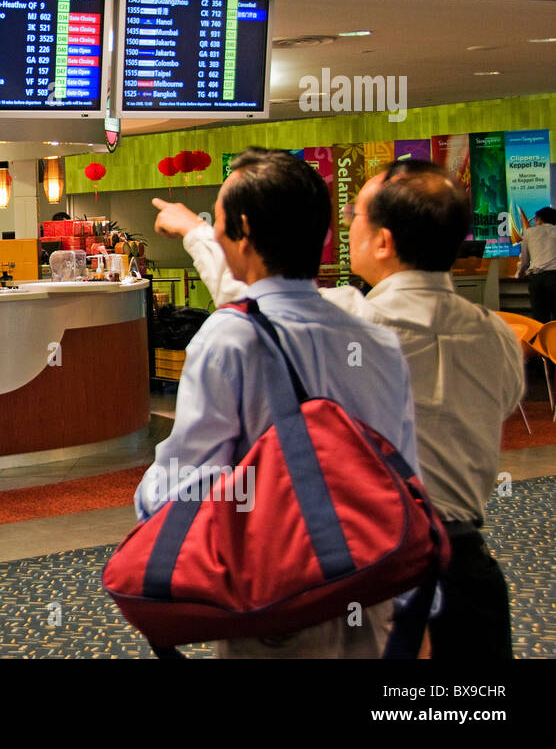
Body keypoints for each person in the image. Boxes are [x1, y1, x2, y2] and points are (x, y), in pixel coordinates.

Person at [154, 157, 526, 659]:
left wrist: (198, 232)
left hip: (377, 566)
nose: (348, 226)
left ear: (384, 242)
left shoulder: (356, 320)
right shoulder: (496, 333)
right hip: (470, 573)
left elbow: (256, 300)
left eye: (355, 216)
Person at [139, 147, 418, 658]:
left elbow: (189, 484)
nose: (214, 234)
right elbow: (404, 475)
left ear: (242, 231)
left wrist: (148, 506)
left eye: (217, 222)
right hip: (369, 594)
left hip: (279, 607)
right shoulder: (376, 339)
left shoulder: (229, 337)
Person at [518, 206, 556, 323]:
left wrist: (521, 273)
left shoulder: (529, 232)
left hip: (537, 278)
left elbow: (525, 259)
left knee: (539, 318)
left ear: (539, 219)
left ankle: (542, 340)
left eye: (535, 220)